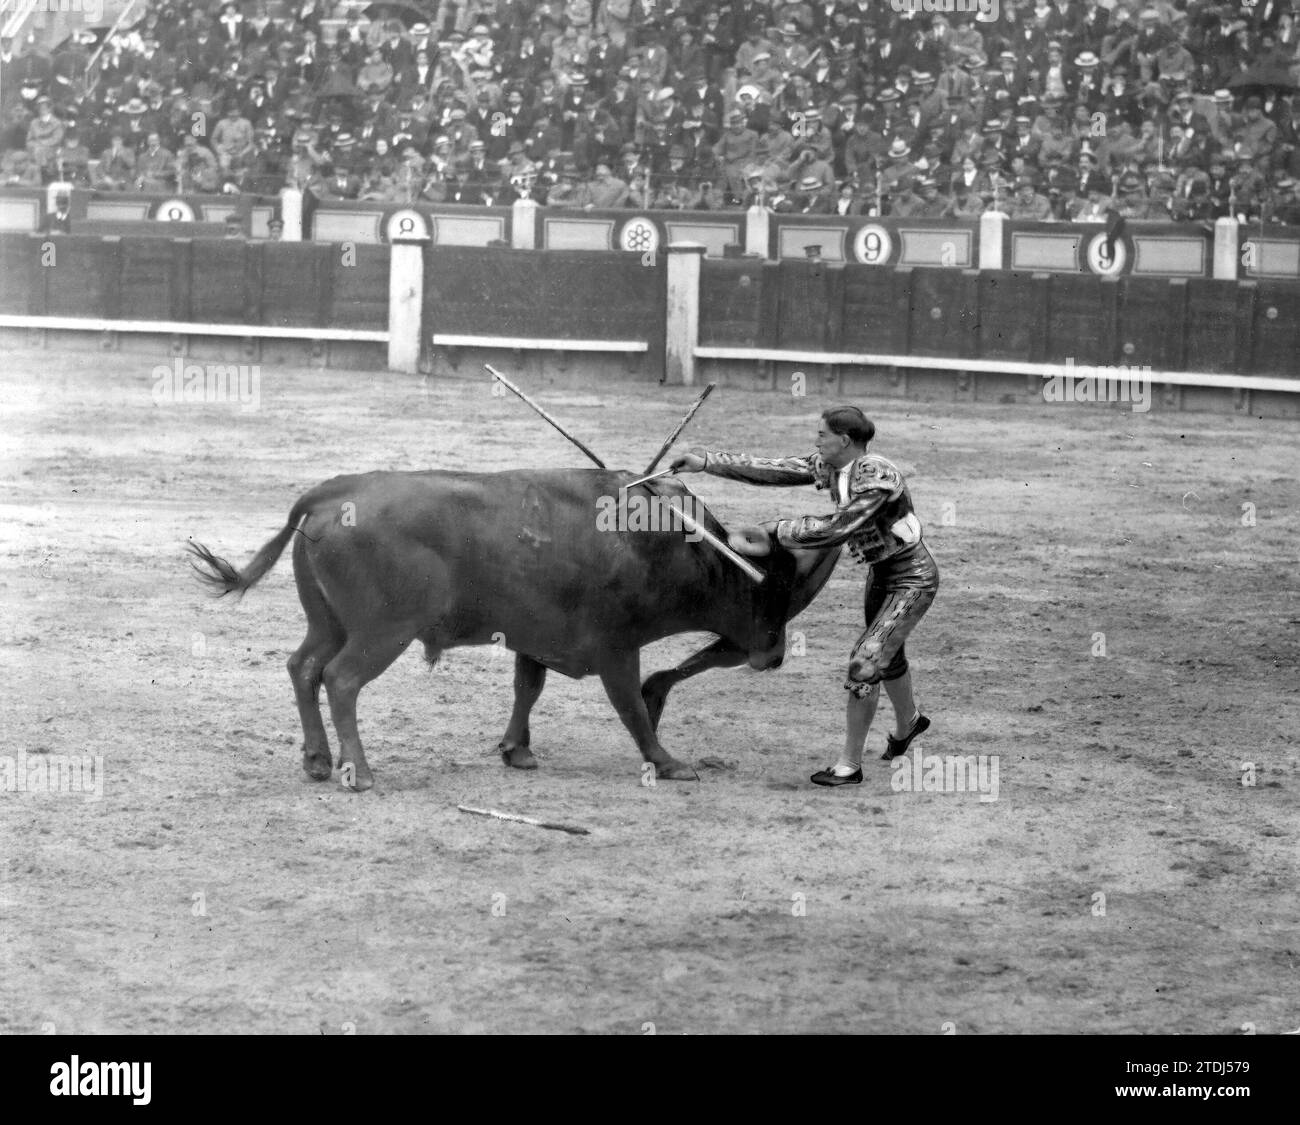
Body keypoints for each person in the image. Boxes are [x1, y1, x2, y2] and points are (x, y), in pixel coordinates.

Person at [670, 406, 939, 787]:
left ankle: (849, 765)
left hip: (912, 579)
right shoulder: (834, 466)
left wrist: (778, 532)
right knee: (886, 655)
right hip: (882, 572)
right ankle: (910, 723)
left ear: (844, 440)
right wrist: (707, 462)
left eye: (822, 435)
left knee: (864, 663)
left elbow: (840, 528)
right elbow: (775, 468)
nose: (816, 441)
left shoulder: (878, 476)